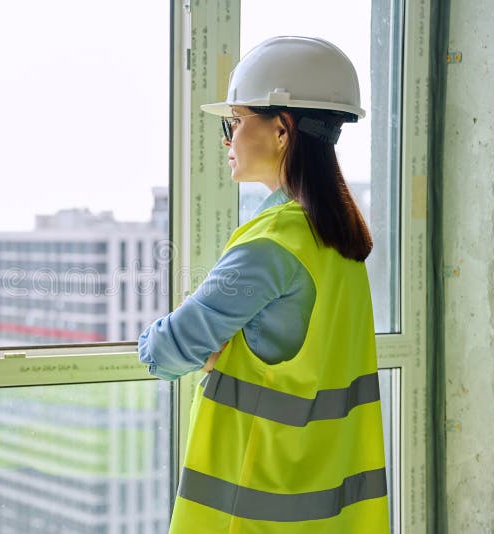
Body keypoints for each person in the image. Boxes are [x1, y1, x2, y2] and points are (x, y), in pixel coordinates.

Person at [138, 36, 389, 533]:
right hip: (331, 511)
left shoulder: (272, 244)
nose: (227, 139)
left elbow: (163, 351)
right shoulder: (337, 238)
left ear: (281, 128)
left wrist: (215, 349)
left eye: (234, 122)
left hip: (250, 510)